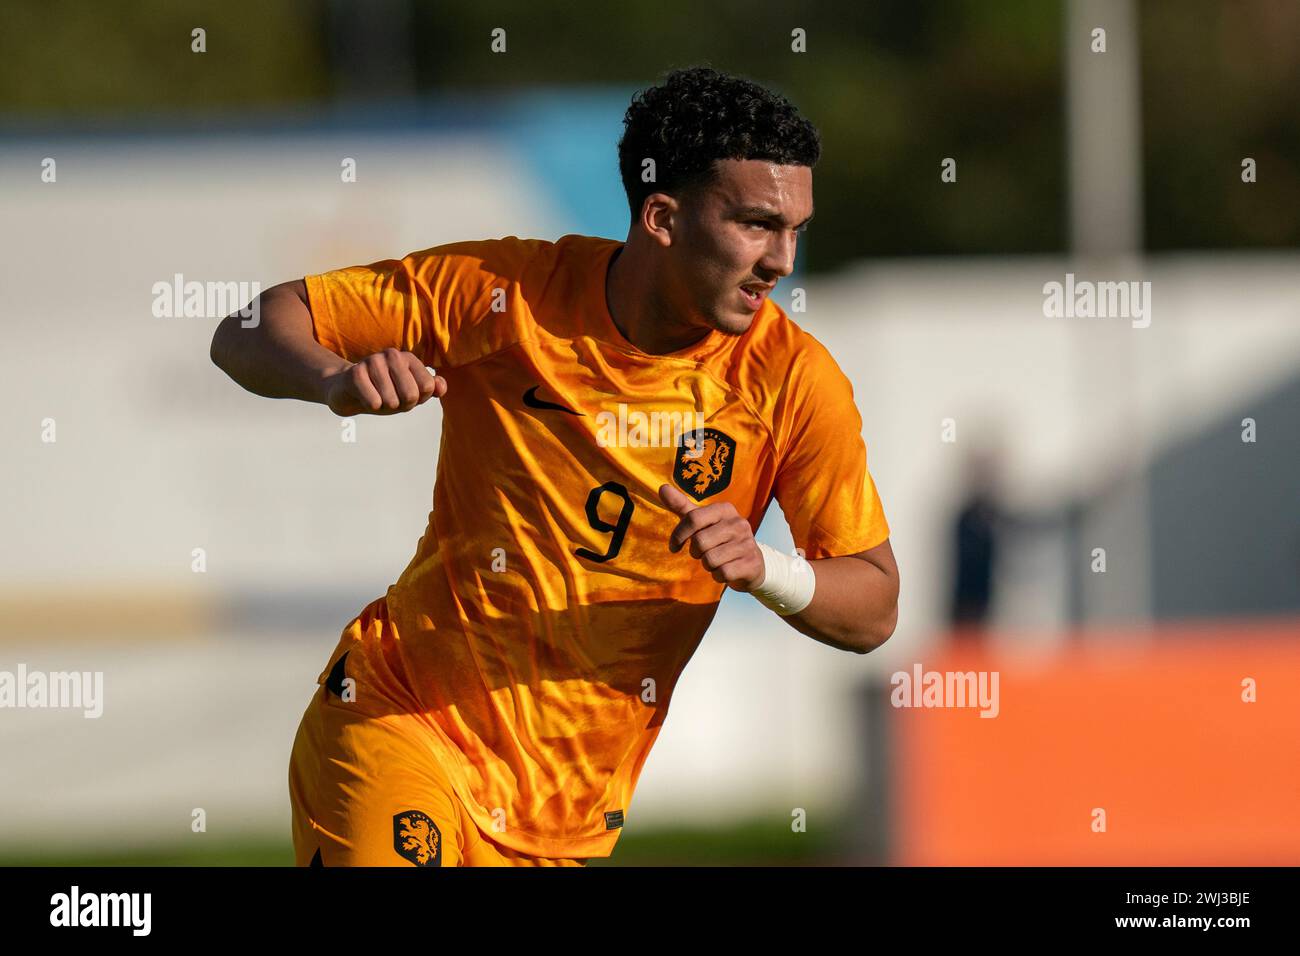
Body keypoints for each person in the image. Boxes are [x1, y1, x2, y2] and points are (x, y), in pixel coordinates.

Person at [210, 66, 898, 867]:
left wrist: (769, 570)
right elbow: (251, 327)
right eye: (755, 225)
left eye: (794, 230)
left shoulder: (791, 380)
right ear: (663, 217)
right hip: (401, 716)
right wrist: (332, 378)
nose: (781, 260)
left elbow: (874, 605)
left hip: (565, 818)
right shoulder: (507, 294)